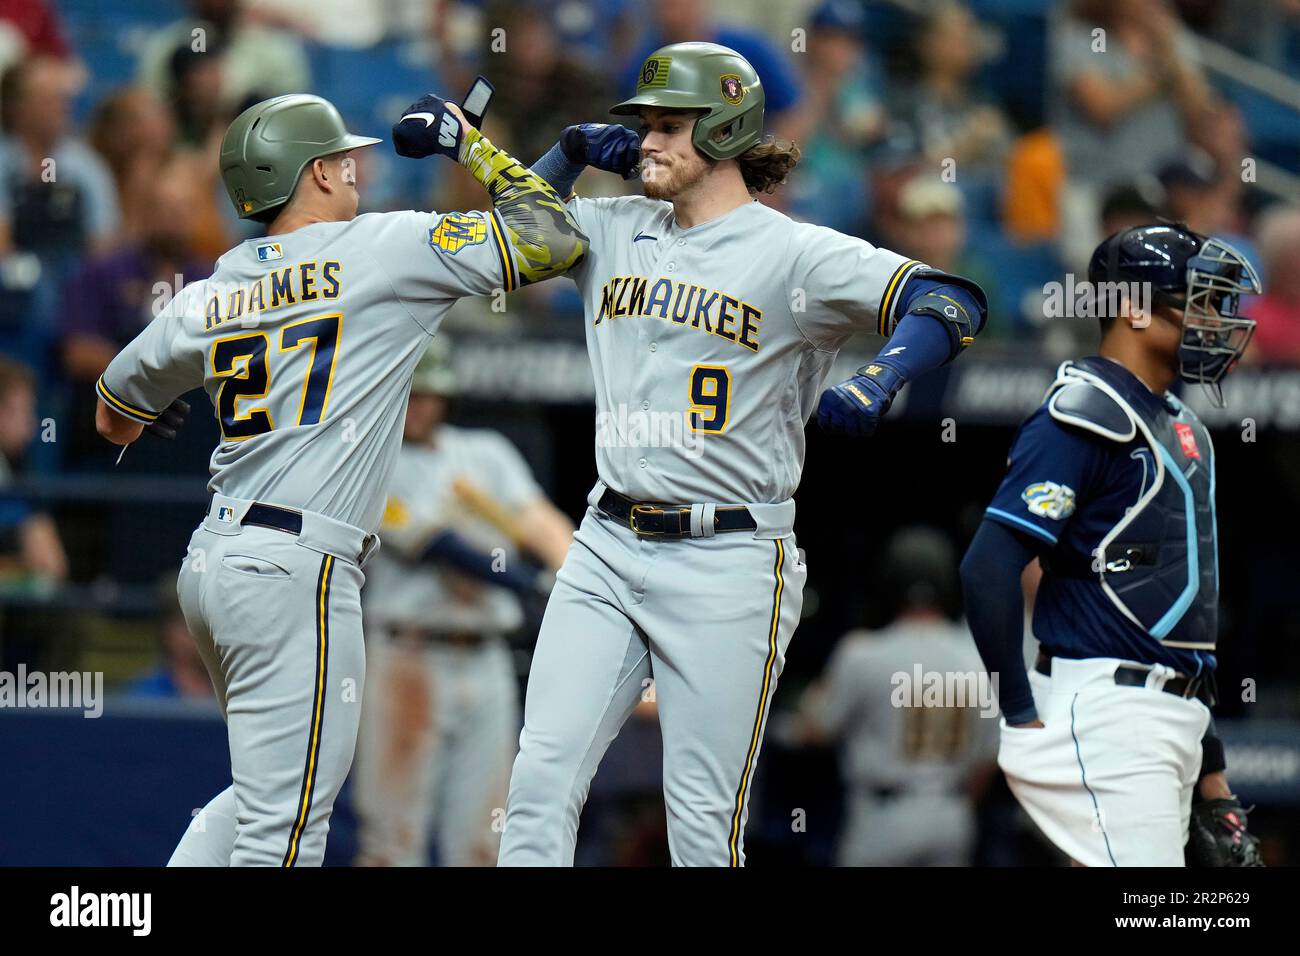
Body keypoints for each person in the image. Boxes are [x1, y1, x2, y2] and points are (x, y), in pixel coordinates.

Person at [499, 41, 988, 866]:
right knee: (538, 783)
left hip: (729, 555)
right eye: (642, 126)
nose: (646, 142)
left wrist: (879, 379)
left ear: (723, 130)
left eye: (668, 126)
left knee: (702, 820)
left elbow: (952, 298)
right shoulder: (609, 224)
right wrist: (570, 151)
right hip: (606, 542)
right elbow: (503, 238)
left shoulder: (794, 251)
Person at [93, 91, 586, 867]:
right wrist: (470, 147)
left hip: (214, 563)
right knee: (285, 828)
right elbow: (550, 239)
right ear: (317, 172)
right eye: (343, 157)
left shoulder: (209, 292)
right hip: (297, 566)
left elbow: (112, 411)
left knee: (272, 793)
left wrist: (145, 417)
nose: (356, 166)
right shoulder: (382, 248)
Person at [960, 223, 1264, 867]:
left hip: (1169, 721)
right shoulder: (1084, 413)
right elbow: (988, 568)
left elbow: (1175, 629)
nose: (1216, 320)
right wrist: (1018, 710)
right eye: (1199, 300)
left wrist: (1213, 780)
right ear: (1132, 306)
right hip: (1109, 715)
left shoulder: (1179, 424)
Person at [352, 340, 574, 867]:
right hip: (408, 655)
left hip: (487, 658)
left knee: (483, 844)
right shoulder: (367, 462)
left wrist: (574, 579)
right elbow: (440, 548)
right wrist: (531, 583)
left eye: (433, 394)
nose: (423, 406)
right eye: (413, 394)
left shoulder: (484, 451)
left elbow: (539, 522)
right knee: (390, 845)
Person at [795, 527, 997, 867]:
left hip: (882, 816)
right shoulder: (977, 658)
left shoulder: (863, 653)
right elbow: (987, 759)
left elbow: (815, 731)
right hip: (951, 814)